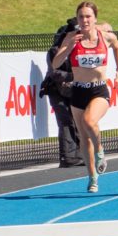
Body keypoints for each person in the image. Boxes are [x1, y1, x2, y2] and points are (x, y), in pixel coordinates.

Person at [48, 1, 118, 193]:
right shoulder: (70, 37)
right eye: (81, 16)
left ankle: (100, 151)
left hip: (99, 90)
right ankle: (92, 178)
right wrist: (68, 48)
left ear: (95, 18)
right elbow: (55, 64)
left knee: (89, 121)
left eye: (88, 16)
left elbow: (116, 46)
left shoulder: (105, 36)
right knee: (84, 138)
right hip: (79, 91)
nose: (84, 20)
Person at [40, 18, 85, 167]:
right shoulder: (55, 51)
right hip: (56, 90)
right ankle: (67, 157)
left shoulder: (79, 49)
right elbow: (55, 73)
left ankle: (78, 154)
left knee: (78, 120)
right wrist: (74, 76)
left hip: (72, 89)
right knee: (65, 121)